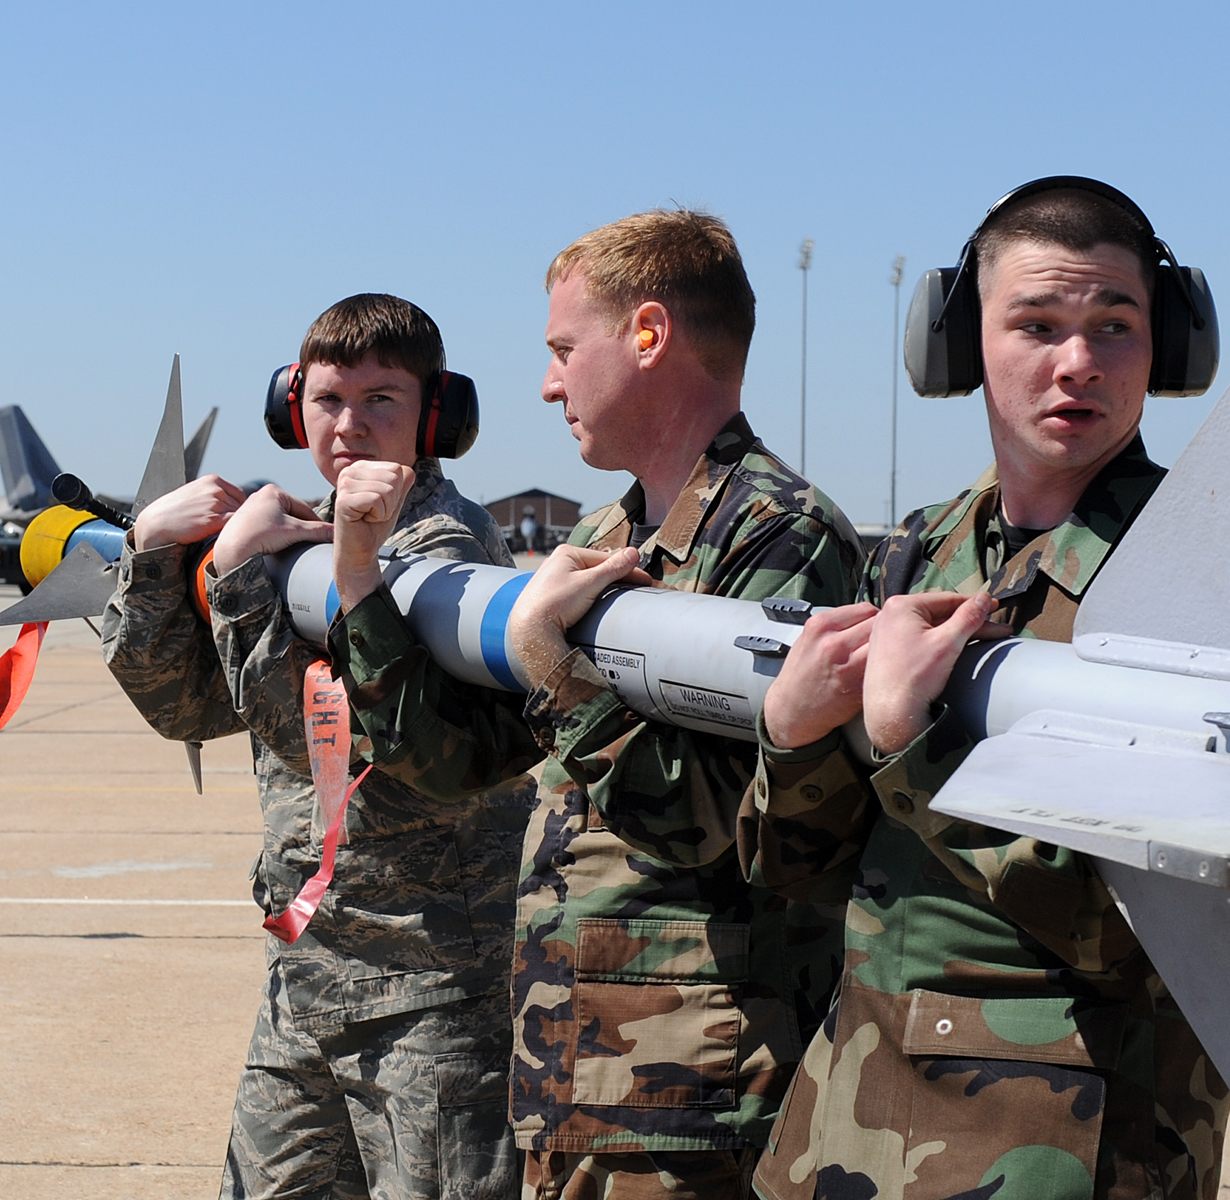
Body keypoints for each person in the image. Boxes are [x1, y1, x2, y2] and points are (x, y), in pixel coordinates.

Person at [327, 210, 865, 1199]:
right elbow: (453, 762)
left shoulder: (777, 536)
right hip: (580, 1070)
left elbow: (708, 821)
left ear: (648, 336)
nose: (547, 382)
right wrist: (360, 583)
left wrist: (557, 670)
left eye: (564, 349)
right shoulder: (609, 530)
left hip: (695, 1092)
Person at [743, 179, 1230, 1200]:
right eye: (1037, 325)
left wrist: (908, 747)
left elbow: (1163, 938)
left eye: (1116, 326)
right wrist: (792, 740)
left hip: (1064, 1144)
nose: (1079, 363)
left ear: (1170, 347)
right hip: (856, 1118)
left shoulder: (1205, 576)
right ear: (963, 347)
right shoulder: (921, 548)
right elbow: (797, 871)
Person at [102, 293, 527, 1200]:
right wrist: (149, 552)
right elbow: (186, 707)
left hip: (431, 1000)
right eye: (329, 400)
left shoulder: (443, 550)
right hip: (306, 979)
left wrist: (239, 579)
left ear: (436, 417)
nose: (349, 426)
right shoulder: (306, 531)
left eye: (382, 400)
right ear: (294, 407)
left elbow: (317, 743)